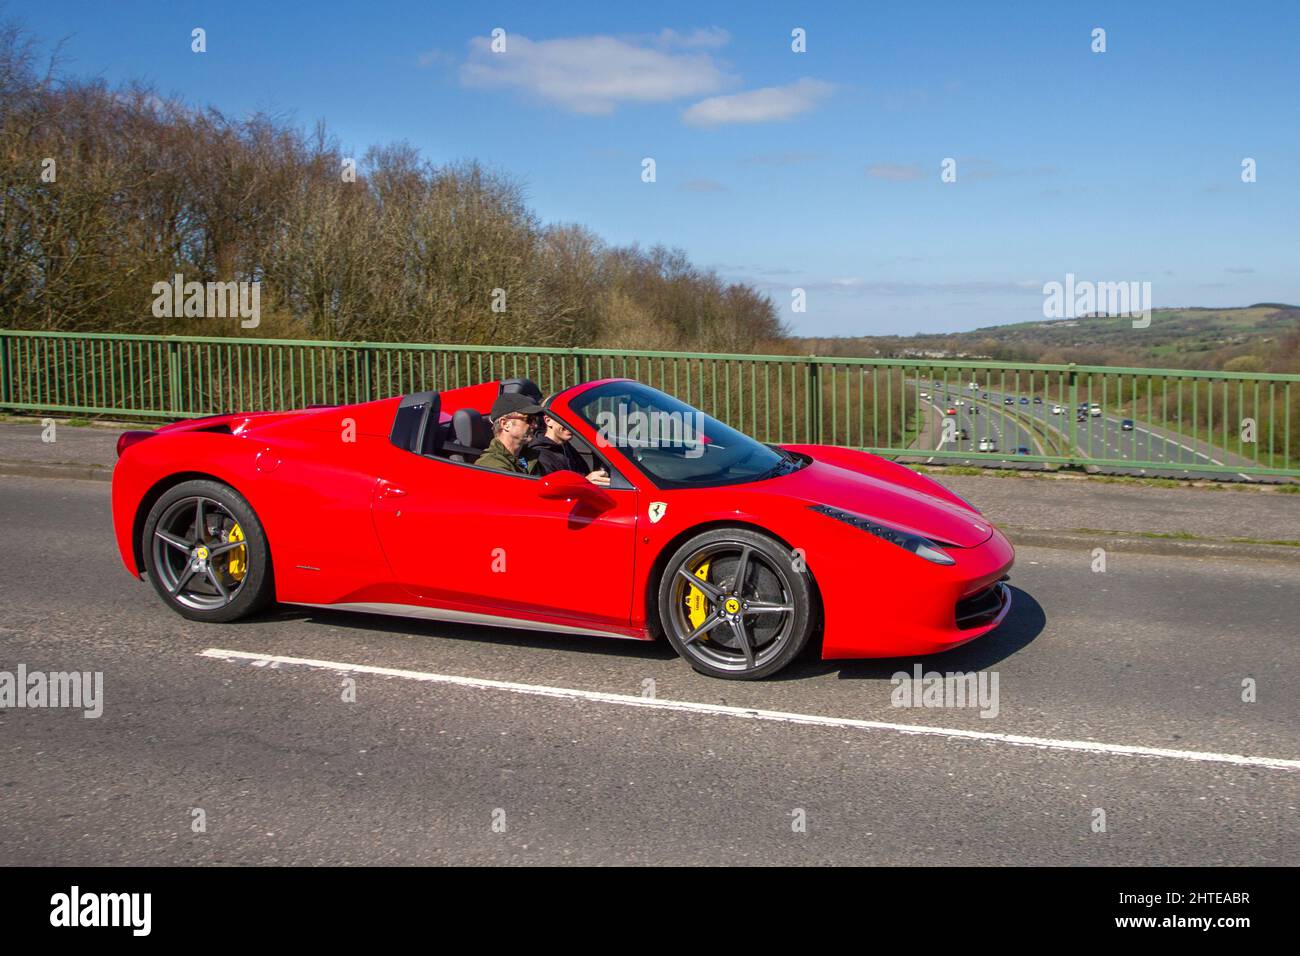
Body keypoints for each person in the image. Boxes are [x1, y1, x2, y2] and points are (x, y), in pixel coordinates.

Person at [528, 410, 611, 486]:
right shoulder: (541, 455)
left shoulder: (566, 446)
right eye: (564, 420)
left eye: (573, 420)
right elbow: (553, 491)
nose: (570, 424)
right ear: (548, 421)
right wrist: (585, 482)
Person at [477, 392, 544, 474]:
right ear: (505, 424)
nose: (535, 425)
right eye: (529, 419)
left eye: (535, 419)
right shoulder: (491, 465)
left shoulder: (529, 458)